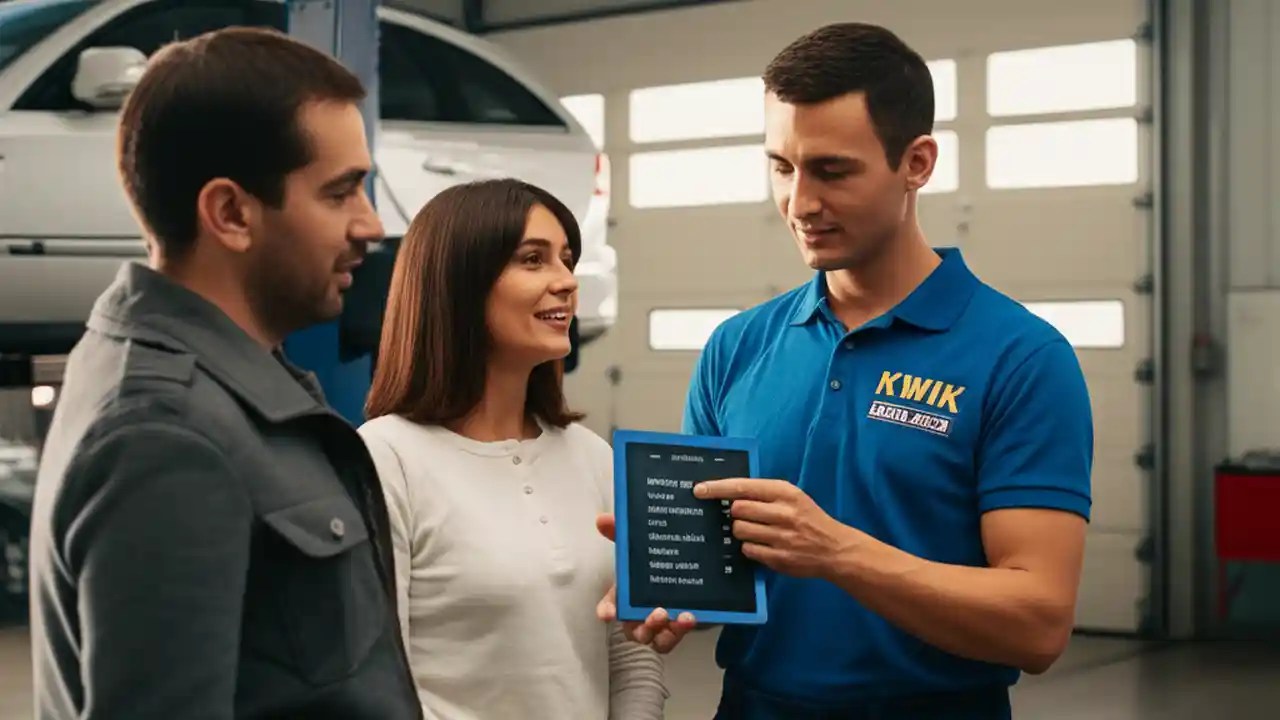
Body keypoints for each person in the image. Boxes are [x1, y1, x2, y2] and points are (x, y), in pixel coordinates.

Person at [676, 22, 1094, 719]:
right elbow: (715, 571)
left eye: (832, 171)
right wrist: (659, 588)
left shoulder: (1021, 359)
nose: (799, 203)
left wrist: (838, 552)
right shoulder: (736, 348)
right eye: (782, 166)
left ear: (917, 162)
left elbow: (1038, 622)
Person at [28, 27, 421, 719]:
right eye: (341, 194)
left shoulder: (217, 382)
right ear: (231, 213)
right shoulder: (166, 435)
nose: (372, 225)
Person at [356, 178, 670, 719]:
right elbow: (378, 680)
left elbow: (630, 654)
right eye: (533, 260)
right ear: (459, 284)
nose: (566, 282)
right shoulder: (386, 459)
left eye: (567, 259)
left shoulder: (593, 457)